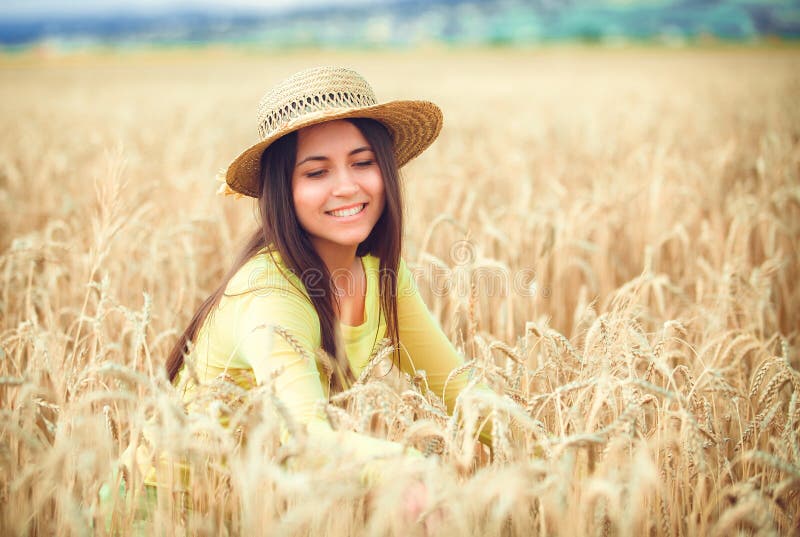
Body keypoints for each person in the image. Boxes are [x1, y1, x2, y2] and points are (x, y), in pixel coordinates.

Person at [139, 66, 488, 512]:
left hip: (257, 510)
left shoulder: (384, 276)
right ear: (282, 192)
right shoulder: (269, 295)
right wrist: (406, 468)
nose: (347, 187)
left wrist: (560, 456)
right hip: (167, 514)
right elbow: (305, 438)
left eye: (362, 163)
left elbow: (464, 392)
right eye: (316, 172)